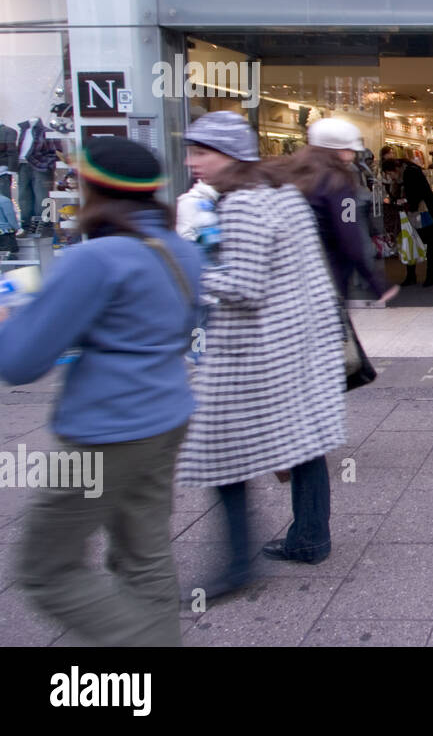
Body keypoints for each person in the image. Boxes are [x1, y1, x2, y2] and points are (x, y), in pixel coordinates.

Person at [0, 137, 201, 645]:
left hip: (99, 431)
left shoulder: (94, 260)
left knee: (48, 569)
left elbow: (19, 363)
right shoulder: (182, 251)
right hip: (166, 416)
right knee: (145, 557)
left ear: (93, 188)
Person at [177, 111, 346, 598]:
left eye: (202, 152)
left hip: (256, 355)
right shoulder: (282, 197)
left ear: (230, 155)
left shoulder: (244, 205)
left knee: (222, 456)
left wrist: (189, 272)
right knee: (304, 440)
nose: (192, 163)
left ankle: (237, 567)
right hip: (297, 347)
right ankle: (310, 536)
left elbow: (245, 287)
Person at [272, 119, 399, 305]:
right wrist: (375, 282)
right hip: (326, 278)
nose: (353, 154)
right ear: (337, 150)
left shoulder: (290, 173)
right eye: (350, 149)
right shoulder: (339, 182)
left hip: (289, 278)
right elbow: (350, 234)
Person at [381, 156, 433, 287]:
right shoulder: (407, 173)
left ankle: (425, 277)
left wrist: (397, 201)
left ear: (396, 169)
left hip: (423, 214)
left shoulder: (410, 173)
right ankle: (416, 276)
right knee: (414, 242)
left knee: (427, 243)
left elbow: (414, 196)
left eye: (390, 173)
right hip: (416, 214)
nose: (390, 177)